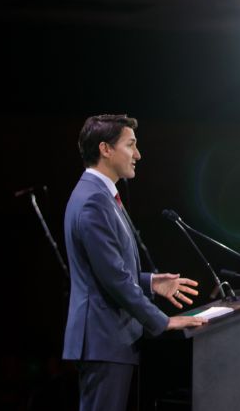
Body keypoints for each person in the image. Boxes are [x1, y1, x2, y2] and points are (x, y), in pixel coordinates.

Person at [62, 114, 206, 411]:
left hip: (109, 340)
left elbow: (107, 272)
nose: (138, 155)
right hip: (103, 339)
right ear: (106, 149)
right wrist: (162, 320)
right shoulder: (93, 200)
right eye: (131, 145)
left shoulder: (100, 196)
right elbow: (113, 278)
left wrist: (151, 282)